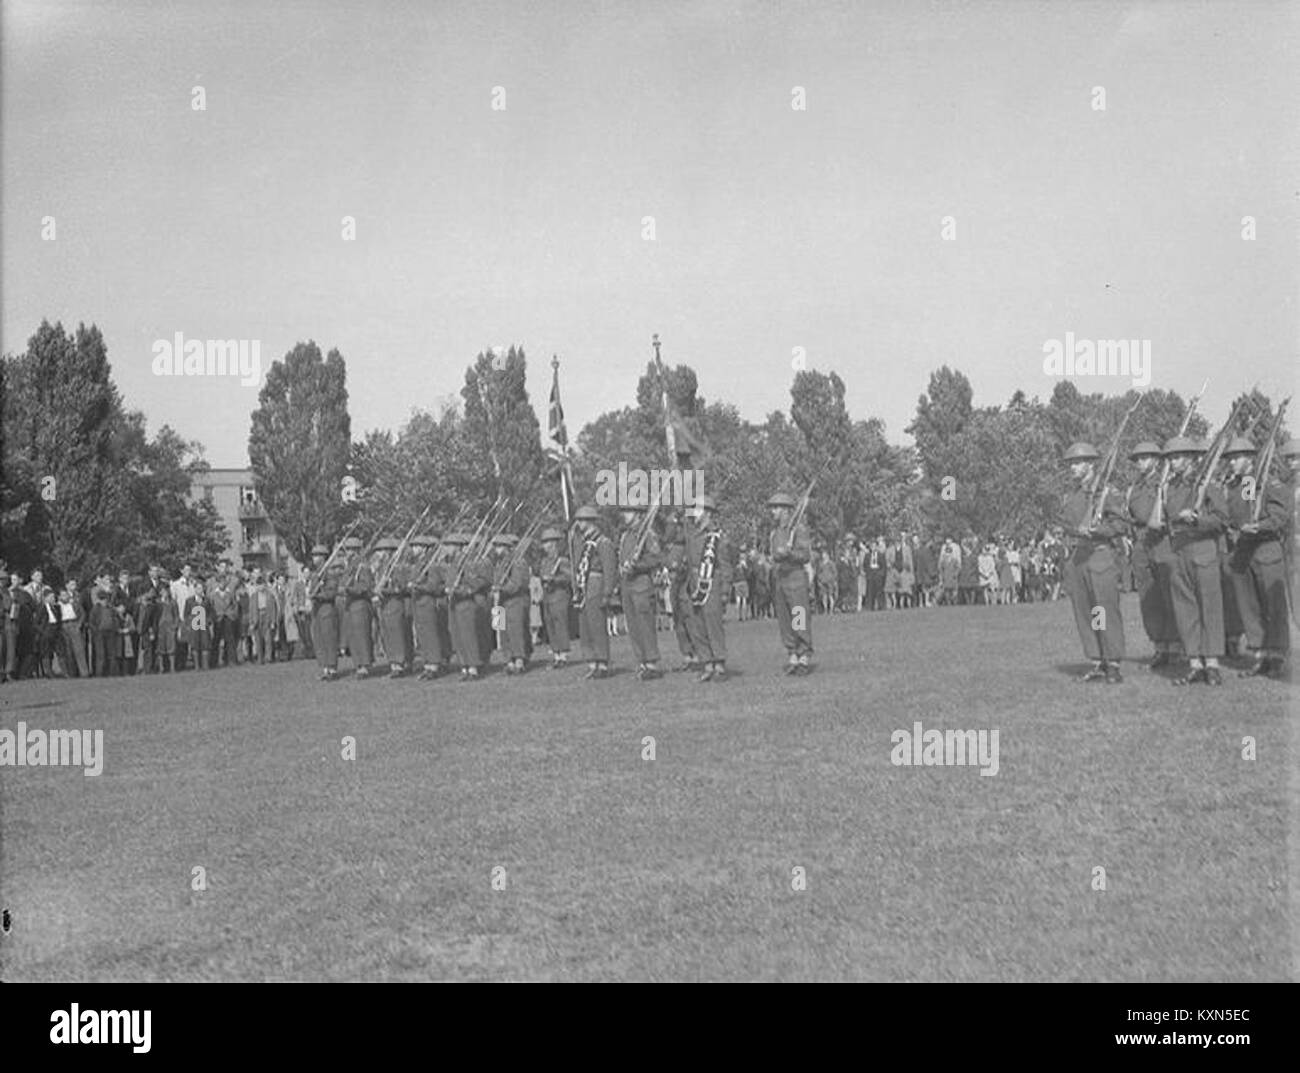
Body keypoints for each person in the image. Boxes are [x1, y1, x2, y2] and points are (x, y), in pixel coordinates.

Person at [1160, 436, 1228, 686]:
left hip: (1203, 549)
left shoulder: (1207, 483)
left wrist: (1198, 518)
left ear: (1190, 458)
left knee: (1209, 606)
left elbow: (1222, 519)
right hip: (1179, 551)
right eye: (1170, 459)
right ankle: (1194, 663)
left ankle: (1211, 663)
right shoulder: (1170, 487)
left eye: (1177, 458)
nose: (1173, 463)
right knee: (1185, 609)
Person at [1060, 442, 1126, 683]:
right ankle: (1097, 659)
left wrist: (1098, 530)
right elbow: (1065, 523)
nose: (1073, 468)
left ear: (1090, 465)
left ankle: (1114, 662)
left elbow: (1120, 524)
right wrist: (1076, 529)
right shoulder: (1071, 495)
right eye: (1071, 464)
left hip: (1100, 554)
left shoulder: (1107, 492)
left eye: (1077, 463)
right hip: (1079, 558)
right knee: (1087, 611)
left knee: (1104, 610)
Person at [1232, 437, 1297, 678]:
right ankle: (1260, 655)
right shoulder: (1247, 484)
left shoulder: (1271, 484)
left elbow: (1280, 516)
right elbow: (1245, 511)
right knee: (1252, 607)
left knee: (1274, 607)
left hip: (1267, 551)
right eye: (1230, 459)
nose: (1231, 463)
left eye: (1236, 458)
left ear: (1249, 459)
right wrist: (1243, 525)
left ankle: (1277, 656)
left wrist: (1259, 527)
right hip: (1246, 553)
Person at [767, 492, 814, 675]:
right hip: (780, 579)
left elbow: (805, 556)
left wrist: (789, 553)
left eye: (776, 508)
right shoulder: (775, 533)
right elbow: (774, 555)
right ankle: (792, 654)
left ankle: (804, 656)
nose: (773, 511)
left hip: (795, 578)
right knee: (785, 620)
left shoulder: (798, 530)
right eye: (772, 508)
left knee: (799, 617)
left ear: (786, 510)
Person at [685, 494, 730, 681]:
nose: (692, 513)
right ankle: (707, 663)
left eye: (696, 509)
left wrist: (726, 591)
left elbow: (725, 565)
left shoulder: (718, 536)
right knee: (698, 624)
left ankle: (719, 664)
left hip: (712, 581)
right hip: (695, 582)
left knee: (713, 624)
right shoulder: (692, 533)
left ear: (707, 513)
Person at [617, 503, 664, 680]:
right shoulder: (625, 535)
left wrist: (638, 566)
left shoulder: (647, 534)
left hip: (641, 584)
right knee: (633, 626)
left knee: (645, 625)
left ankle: (652, 663)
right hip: (627, 584)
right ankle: (642, 662)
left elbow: (655, 558)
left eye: (628, 511)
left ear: (637, 514)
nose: (624, 515)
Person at [571, 505, 616, 679]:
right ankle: (592, 661)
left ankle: (602, 662)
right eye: (578, 520)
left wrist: (607, 592)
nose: (579, 523)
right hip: (583, 585)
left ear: (590, 522)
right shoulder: (581, 541)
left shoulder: (602, 542)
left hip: (596, 583)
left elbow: (609, 568)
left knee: (597, 624)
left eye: (582, 520)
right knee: (585, 625)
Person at [537, 527, 573, 670]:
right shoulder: (545, 561)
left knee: (560, 625)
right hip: (548, 596)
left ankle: (563, 655)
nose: (544, 546)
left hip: (559, 596)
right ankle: (556, 654)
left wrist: (554, 579)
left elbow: (569, 577)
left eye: (546, 543)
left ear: (553, 543)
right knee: (550, 625)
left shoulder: (562, 560)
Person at [341, 536, 375, 678]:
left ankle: (364, 666)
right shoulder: (349, 566)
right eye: (347, 549)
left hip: (360, 604)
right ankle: (358, 664)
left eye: (349, 549)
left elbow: (366, 586)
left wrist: (350, 590)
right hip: (350, 605)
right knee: (353, 637)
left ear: (355, 551)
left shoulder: (363, 566)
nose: (347, 552)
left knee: (362, 636)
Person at [307, 543, 342, 681]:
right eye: (314, 555)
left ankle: (332, 668)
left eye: (317, 555)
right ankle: (325, 668)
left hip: (327, 609)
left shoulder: (330, 573)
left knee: (329, 639)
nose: (314, 558)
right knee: (320, 639)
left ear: (323, 557)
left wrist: (318, 595)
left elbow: (331, 593)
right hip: (317, 610)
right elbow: (311, 591)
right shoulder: (316, 574)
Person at [58, 584, 90, 677]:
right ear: (59, 597)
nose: (65, 597)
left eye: (66, 595)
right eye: (63, 595)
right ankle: (72, 673)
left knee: (79, 650)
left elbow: (83, 614)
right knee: (68, 651)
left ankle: (84, 673)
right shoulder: (57, 606)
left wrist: (79, 625)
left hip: (74, 624)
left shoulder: (74, 603)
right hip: (63, 626)